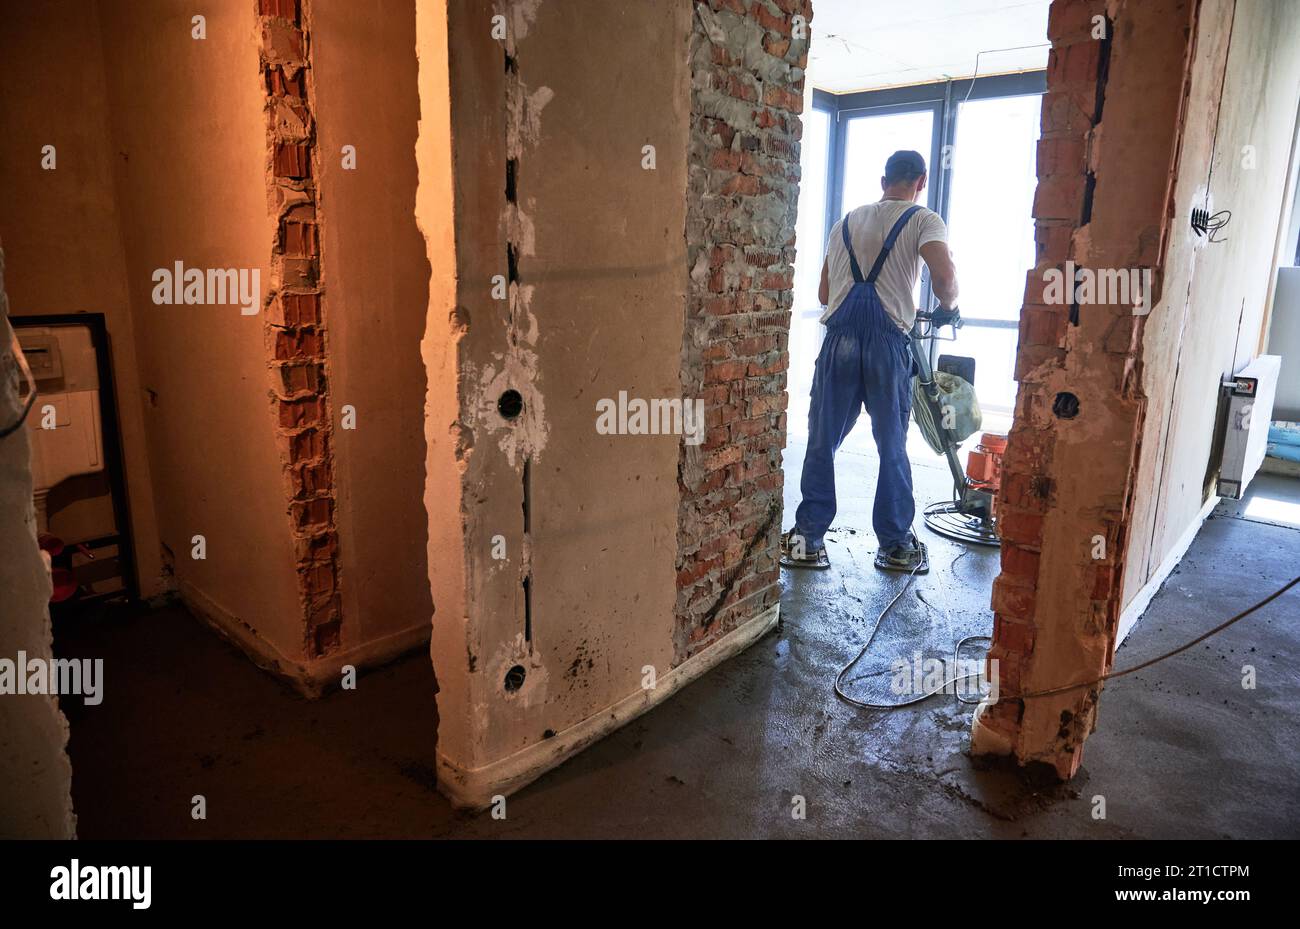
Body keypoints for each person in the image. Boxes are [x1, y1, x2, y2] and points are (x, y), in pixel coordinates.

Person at [782, 150, 960, 573]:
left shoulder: (845, 223)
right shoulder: (923, 220)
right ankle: (897, 546)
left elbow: (826, 293)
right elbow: (945, 278)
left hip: (838, 341)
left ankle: (808, 539)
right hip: (887, 346)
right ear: (922, 180)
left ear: (884, 181)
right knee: (892, 445)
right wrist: (948, 306)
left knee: (822, 439)